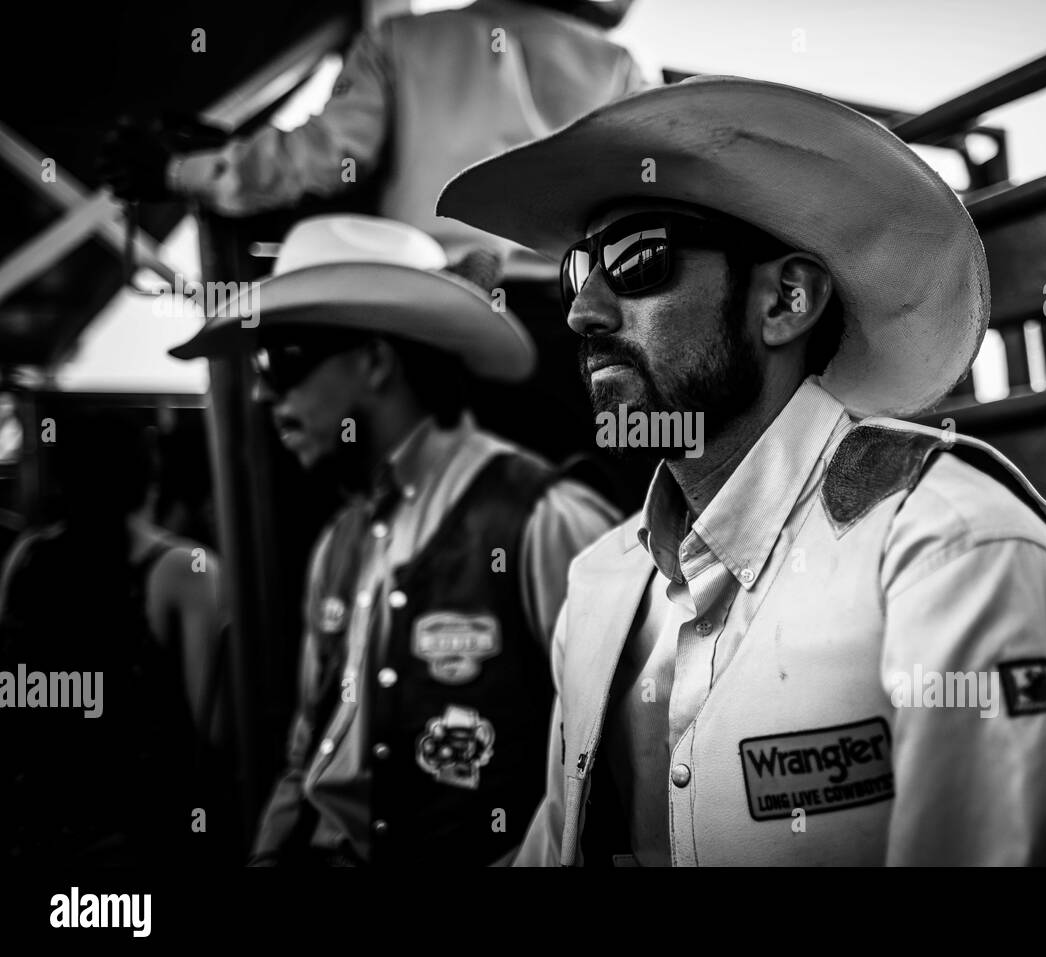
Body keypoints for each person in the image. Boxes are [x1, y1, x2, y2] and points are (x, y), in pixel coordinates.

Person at [436, 76, 1046, 866]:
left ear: (786, 300)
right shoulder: (601, 578)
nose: (583, 311)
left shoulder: (956, 552)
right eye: (577, 270)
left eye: (637, 260)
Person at [167, 213, 619, 866]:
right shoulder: (339, 543)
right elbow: (309, 754)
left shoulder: (545, 521)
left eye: (282, 358)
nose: (265, 392)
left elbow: (606, 780)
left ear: (377, 360)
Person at [100, 0, 644, 277]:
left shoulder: (404, 40)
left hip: (434, 308)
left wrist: (182, 169)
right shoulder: (617, 67)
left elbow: (321, 157)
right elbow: (639, 193)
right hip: (572, 317)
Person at [0, 409, 229, 865]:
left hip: (38, 829)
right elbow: (213, 726)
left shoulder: (24, 558)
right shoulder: (186, 568)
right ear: (150, 471)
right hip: (145, 832)